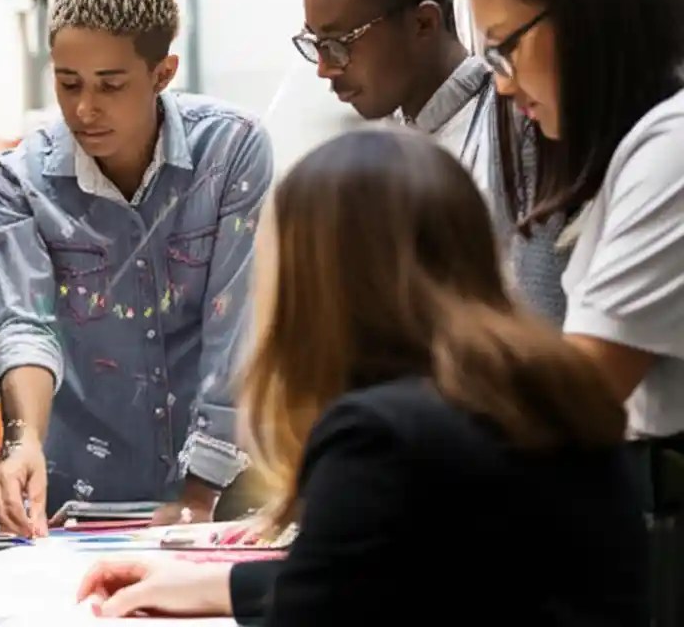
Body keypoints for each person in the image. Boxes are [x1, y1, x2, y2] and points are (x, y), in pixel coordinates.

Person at [76, 128, 648, 623]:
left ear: (316, 282)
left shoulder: (381, 437)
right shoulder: (545, 395)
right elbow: (395, 580)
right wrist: (208, 587)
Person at [0, 0, 273, 536]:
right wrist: (22, 443)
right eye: (68, 83)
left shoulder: (231, 153)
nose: (84, 109)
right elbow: (27, 325)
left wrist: (200, 495)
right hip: (81, 504)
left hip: (227, 496)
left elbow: (237, 330)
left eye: (111, 85)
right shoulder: (22, 180)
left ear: (163, 72)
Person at [461, 0, 684, 618]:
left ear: (590, 15)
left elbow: (578, 393)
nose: (501, 84)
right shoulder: (635, 146)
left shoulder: (672, 147)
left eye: (505, 48)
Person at [293, 0, 568, 324]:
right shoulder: (389, 147)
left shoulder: (521, 124)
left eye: (337, 44)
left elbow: (540, 325)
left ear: (423, 23)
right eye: (315, 44)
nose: (325, 68)